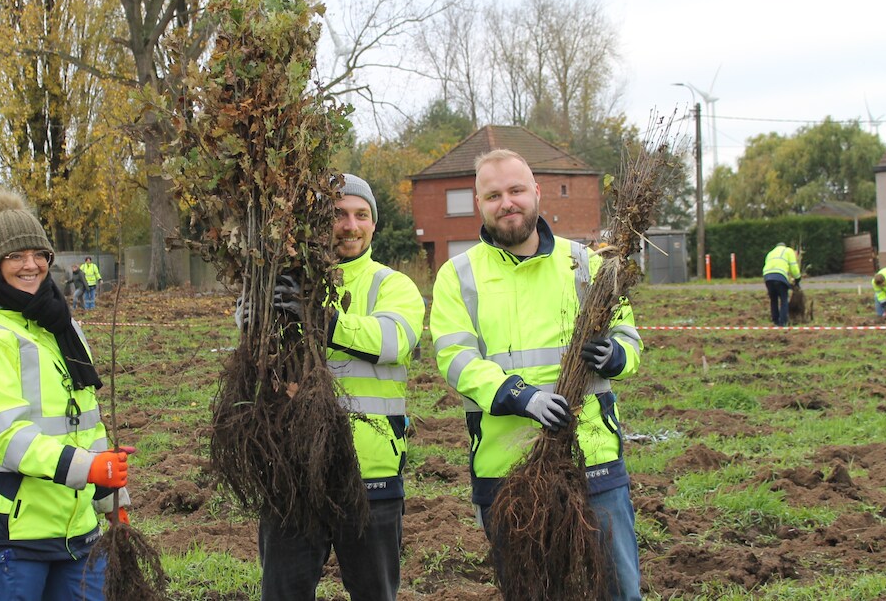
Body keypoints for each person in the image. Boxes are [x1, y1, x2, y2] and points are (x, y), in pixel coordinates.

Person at [429, 149, 643, 601]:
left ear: (537, 193)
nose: (507, 202)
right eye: (494, 195)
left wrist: (616, 354)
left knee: (616, 590)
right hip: (506, 469)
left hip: (594, 461)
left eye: (516, 190)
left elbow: (629, 336)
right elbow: (455, 358)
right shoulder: (458, 276)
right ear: (478, 202)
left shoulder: (586, 264)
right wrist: (519, 396)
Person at [0, 189, 131, 600]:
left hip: (76, 529)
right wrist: (89, 468)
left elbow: (87, 422)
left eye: (39, 254)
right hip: (8, 540)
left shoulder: (64, 329)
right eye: (15, 256)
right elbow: (7, 438)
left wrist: (110, 499)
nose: (30, 265)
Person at [256, 174, 425, 601]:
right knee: (283, 592)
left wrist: (322, 319)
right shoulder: (282, 281)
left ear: (373, 224)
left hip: (371, 474)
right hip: (291, 469)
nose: (350, 225)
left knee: (374, 593)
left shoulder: (393, 284)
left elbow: (393, 342)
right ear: (318, 222)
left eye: (361, 215)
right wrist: (255, 313)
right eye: (338, 214)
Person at [762, 242, 800, 327]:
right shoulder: (788, 251)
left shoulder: (770, 253)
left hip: (767, 277)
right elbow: (793, 266)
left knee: (773, 299)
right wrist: (797, 278)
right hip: (780, 276)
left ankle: (775, 320)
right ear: (784, 246)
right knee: (783, 299)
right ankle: (782, 322)